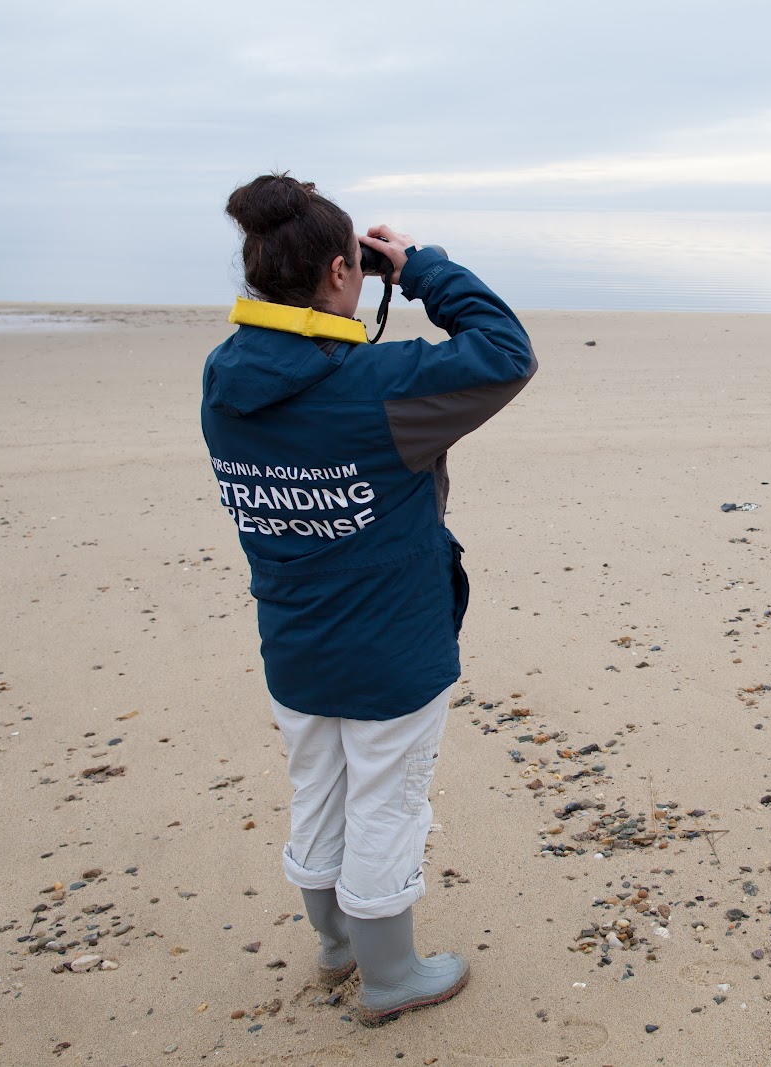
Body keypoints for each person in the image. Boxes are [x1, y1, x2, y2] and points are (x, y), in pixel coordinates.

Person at [199, 173, 536, 1026]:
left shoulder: (224, 377)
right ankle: (391, 977)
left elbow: (306, 390)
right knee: (387, 800)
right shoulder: (383, 388)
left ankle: (337, 945)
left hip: (295, 639)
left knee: (318, 787)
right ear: (345, 272)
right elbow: (505, 351)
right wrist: (423, 268)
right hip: (393, 643)